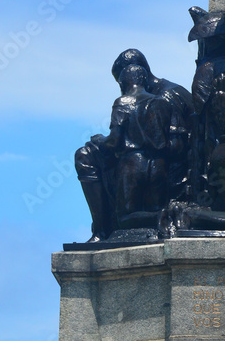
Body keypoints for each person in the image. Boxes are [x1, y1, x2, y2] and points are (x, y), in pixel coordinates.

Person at [75, 50, 192, 241]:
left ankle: (106, 229)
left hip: (168, 170)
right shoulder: (155, 99)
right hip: (154, 162)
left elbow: (178, 146)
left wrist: (107, 143)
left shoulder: (168, 95)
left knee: (86, 156)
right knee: (86, 154)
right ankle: (100, 230)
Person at [104, 65, 171, 228]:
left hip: (132, 163)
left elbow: (114, 140)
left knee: (125, 218)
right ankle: (160, 217)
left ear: (122, 83)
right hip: (159, 164)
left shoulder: (122, 102)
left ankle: (160, 218)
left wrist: (101, 141)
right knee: (155, 206)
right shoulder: (162, 102)